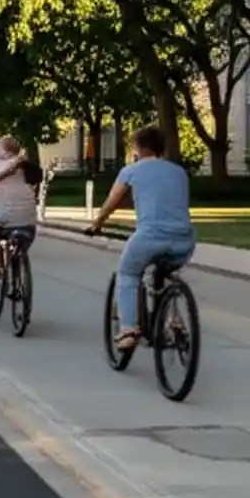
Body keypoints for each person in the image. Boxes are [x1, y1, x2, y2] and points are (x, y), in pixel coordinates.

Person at [85, 126, 195, 350]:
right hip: (185, 239)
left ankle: (129, 329)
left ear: (137, 148)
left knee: (127, 273)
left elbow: (113, 201)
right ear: (161, 147)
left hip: (151, 236)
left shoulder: (131, 171)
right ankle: (174, 320)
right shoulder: (179, 172)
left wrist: (97, 223)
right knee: (166, 273)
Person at [0, 136, 38, 279]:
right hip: (28, 220)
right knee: (20, 240)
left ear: (3, 150)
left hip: (4, 219)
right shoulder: (27, 167)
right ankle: (16, 260)